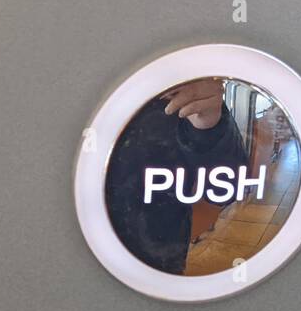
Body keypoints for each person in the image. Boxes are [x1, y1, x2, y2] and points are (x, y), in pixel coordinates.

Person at [105, 79, 248, 274]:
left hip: (159, 259)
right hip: (70, 250)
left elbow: (227, 190)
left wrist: (209, 125)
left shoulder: (182, 82)